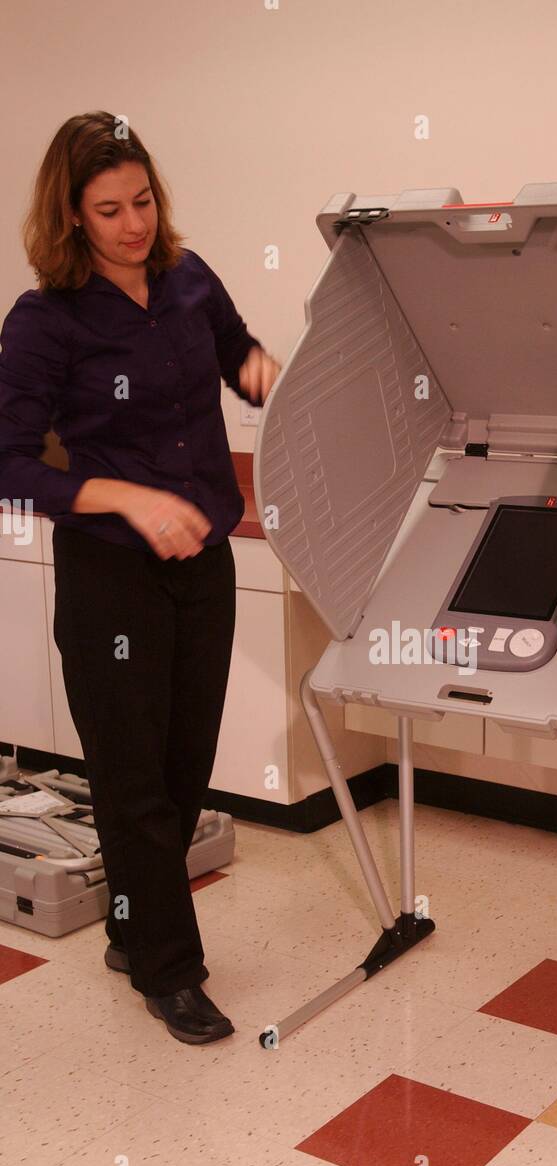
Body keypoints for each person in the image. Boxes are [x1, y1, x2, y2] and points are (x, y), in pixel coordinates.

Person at [0, 111, 281, 1044]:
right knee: (133, 785)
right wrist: (122, 496)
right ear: (71, 216)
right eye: (109, 209)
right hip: (110, 575)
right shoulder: (46, 321)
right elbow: (10, 464)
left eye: (143, 201)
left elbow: (238, 355)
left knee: (182, 767)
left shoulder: (189, 279)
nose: (133, 224)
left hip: (205, 561)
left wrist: (279, 380)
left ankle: (131, 926)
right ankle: (170, 970)